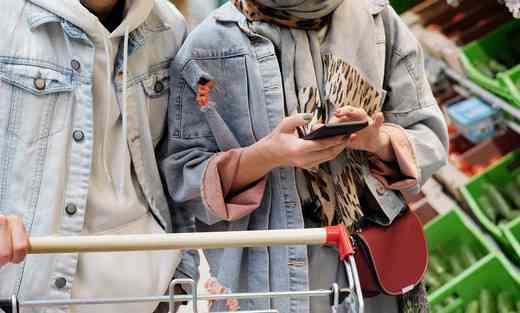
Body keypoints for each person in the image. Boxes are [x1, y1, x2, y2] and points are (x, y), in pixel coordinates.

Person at [160, 0, 448, 312]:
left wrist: (378, 140)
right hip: (271, 283)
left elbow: (428, 134)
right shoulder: (208, 49)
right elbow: (185, 180)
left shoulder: (376, 20)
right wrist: (266, 156)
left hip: (375, 268)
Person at [0, 0, 187, 312]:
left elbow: (177, 166)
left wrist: (182, 273)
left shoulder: (167, 26)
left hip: (145, 298)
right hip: (7, 298)